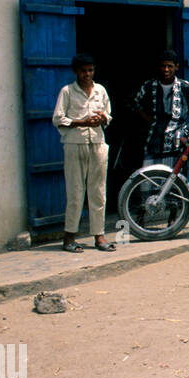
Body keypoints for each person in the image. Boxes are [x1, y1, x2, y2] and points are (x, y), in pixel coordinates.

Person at [54, 54, 114, 253]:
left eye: (90, 70)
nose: (87, 74)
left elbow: (108, 114)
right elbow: (58, 119)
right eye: (83, 71)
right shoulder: (68, 92)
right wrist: (82, 122)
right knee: (75, 191)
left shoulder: (100, 90)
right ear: (76, 72)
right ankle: (69, 237)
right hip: (74, 143)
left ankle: (99, 236)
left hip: (97, 142)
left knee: (98, 191)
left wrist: (101, 118)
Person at [132, 50, 189, 166]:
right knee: (148, 178)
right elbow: (134, 103)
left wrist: (187, 110)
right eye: (163, 66)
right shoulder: (149, 86)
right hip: (153, 141)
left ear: (176, 67)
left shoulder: (185, 87)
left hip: (176, 144)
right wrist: (147, 118)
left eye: (169, 66)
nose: (166, 70)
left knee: (173, 180)